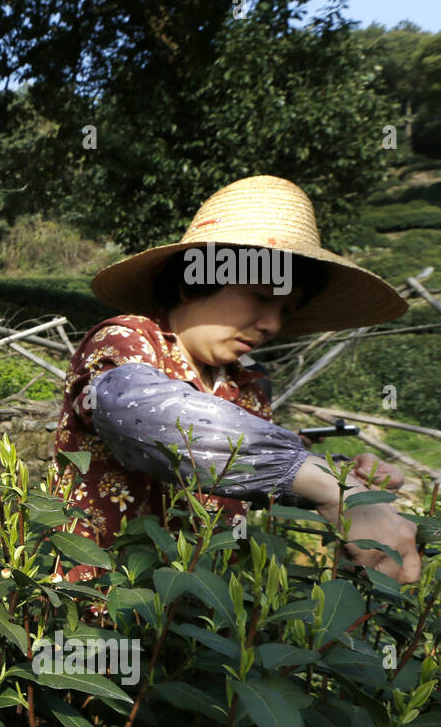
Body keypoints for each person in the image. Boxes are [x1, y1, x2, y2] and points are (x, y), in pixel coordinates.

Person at [49, 174, 420, 586]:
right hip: (99, 604)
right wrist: (329, 483)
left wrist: (353, 479)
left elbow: (255, 470)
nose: (272, 324)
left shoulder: (247, 387)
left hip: (199, 616)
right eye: (261, 296)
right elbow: (138, 410)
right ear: (194, 282)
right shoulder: (127, 340)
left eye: (287, 311)